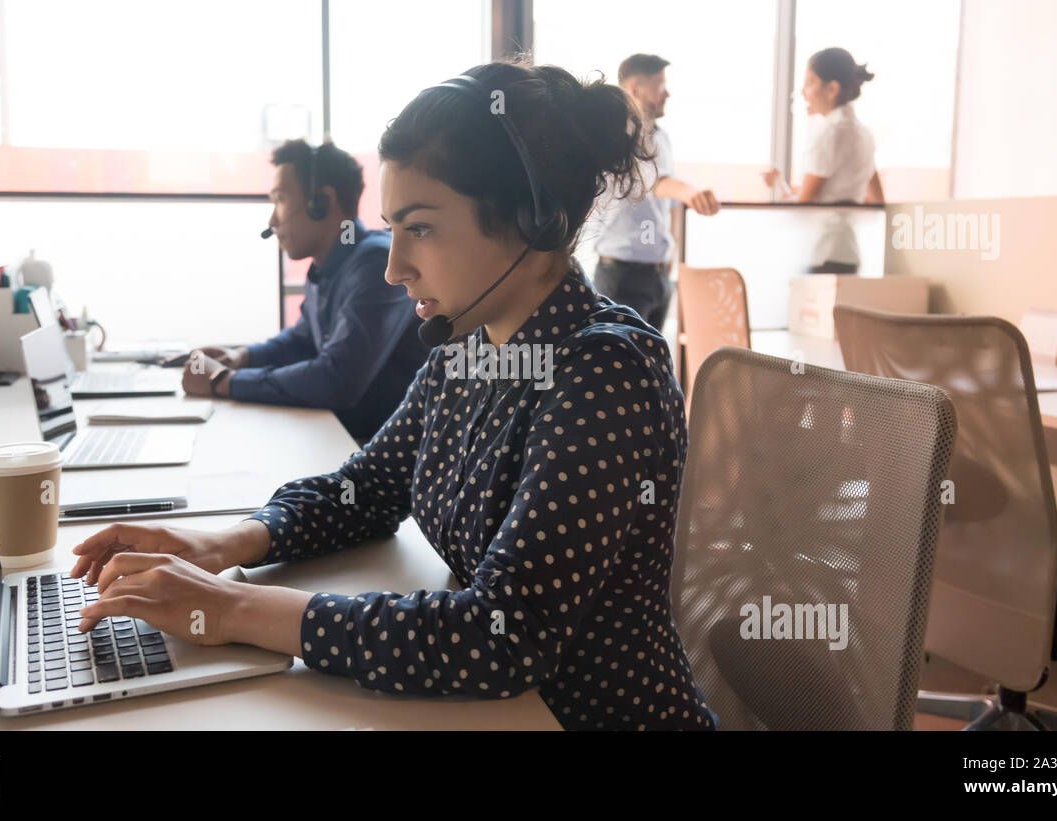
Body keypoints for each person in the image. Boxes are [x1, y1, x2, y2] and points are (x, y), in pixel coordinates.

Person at [70, 60, 716, 731]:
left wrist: (230, 609)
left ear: (532, 221)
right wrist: (221, 545)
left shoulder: (604, 374)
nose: (392, 265)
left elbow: (499, 635)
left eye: (422, 228)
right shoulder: (466, 348)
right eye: (392, 226)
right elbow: (368, 488)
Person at [177, 139, 430, 441]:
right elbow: (301, 340)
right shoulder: (326, 268)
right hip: (335, 438)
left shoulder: (375, 266)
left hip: (377, 458)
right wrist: (241, 357)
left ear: (321, 202)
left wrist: (224, 381)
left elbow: (337, 379)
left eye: (280, 200)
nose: (272, 221)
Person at [589, 53, 719, 332]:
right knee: (622, 367)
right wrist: (690, 191)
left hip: (658, 275)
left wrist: (670, 257)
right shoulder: (618, 136)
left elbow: (666, 202)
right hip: (622, 275)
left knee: (652, 368)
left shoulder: (661, 137)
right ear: (635, 89)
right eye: (660, 84)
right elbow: (655, 183)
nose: (667, 93)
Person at [762, 47, 884, 273]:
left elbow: (806, 204)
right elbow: (876, 199)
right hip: (848, 251)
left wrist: (778, 187)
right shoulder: (864, 133)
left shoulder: (830, 134)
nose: (803, 92)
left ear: (832, 89)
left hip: (823, 252)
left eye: (809, 83)